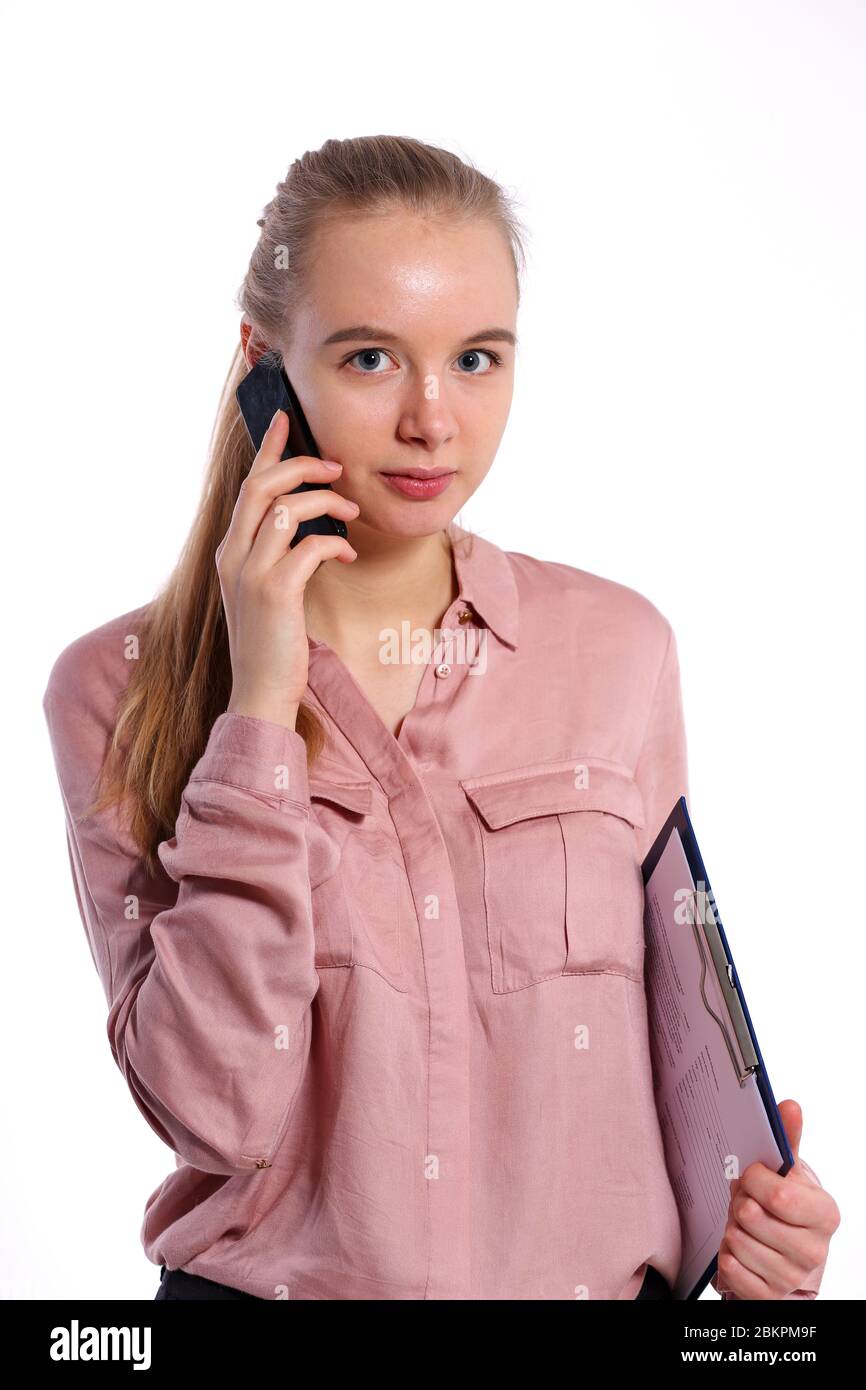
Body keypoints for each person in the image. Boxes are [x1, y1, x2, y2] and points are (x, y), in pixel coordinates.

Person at [42, 135, 838, 1301]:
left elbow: (677, 1055)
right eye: (370, 358)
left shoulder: (618, 651)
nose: (433, 419)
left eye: (475, 358)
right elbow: (214, 1105)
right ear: (265, 365)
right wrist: (259, 707)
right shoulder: (118, 687)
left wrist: (753, 1231)